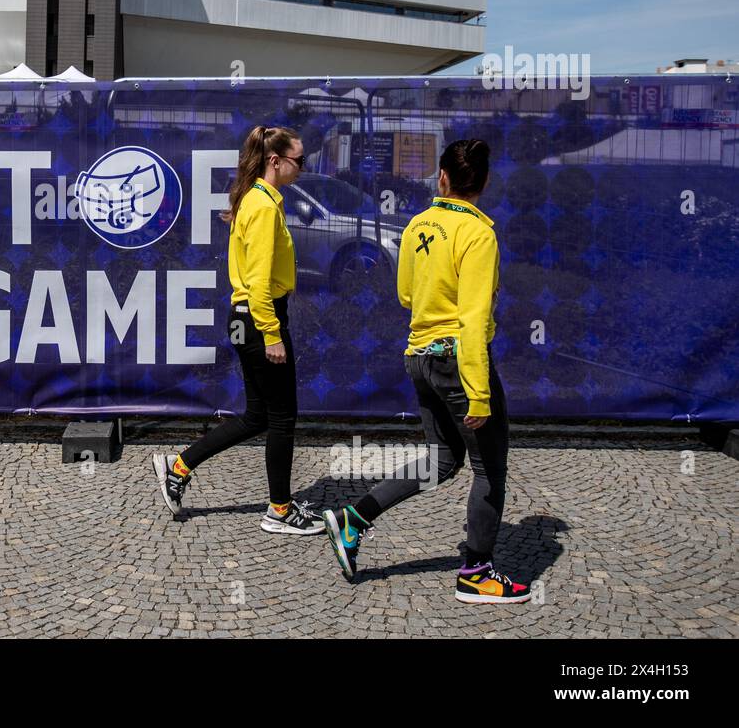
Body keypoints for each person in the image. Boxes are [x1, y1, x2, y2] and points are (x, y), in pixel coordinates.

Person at [322, 139, 531, 603]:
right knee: (489, 471)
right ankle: (476, 574)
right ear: (485, 182)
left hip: (419, 356)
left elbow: (405, 295)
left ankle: (354, 518)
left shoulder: (417, 223)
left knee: (442, 459)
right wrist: (479, 394)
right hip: (459, 362)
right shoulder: (478, 234)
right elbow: (473, 319)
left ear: (442, 178)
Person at [152, 125, 324, 535]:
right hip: (260, 319)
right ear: (275, 161)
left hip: (247, 319)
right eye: (299, 160)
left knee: (258, 416)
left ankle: (179, 466)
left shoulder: (258, 200)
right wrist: (273, 334)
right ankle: (280, 511)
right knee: (281, 418)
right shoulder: (262, 206)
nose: (303, 167)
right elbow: (259, 282)